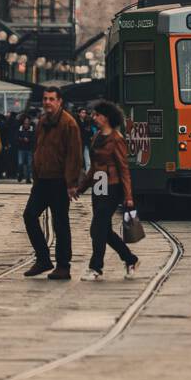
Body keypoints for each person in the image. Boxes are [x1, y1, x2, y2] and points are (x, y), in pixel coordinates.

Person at [22, 86, 82, 280]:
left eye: (51, 99)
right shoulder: (42, 122)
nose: (47, 102)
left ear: (59, 102)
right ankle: (43, 259)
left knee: (60, 223)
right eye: (45, 99)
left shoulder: (68, 124)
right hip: (42, 181)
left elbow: (74, 155)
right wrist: (35, 175)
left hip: (59, 181)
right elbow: (37, 149)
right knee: (29, 216)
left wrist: (71, 183)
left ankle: (63, 266)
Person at [78, 101, 138, 281]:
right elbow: (94, 168)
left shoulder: (117, 138)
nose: (94, 117)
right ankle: (130, 259)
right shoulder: (97, 137)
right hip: (99, 185)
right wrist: (81, 188)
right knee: (103, 229)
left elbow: (124, 168)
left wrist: (128, 196)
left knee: (97, 228)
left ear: (106, 117)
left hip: (113, 187)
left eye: (97, 115)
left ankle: (96, 267)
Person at [15, 115, 34, 183]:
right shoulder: (19, 129)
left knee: (29, 164)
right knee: (20, 163)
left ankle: (28, 178)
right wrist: (22, 139)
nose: (26, 124)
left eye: (27, 122)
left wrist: (29, 140)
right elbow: (16, 137)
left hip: (29, 149)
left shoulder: (32, 129)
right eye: (25, 123)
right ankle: (20, 175)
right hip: (21, 148)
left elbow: (34, 138)